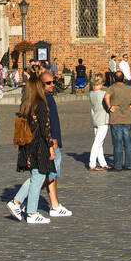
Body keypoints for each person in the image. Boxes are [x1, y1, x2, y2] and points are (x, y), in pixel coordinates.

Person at [7, 76, 56, 224]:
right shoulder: (40, 104)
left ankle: (16, 202)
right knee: (39, 176)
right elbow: (45, 128)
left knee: (36, 176)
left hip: (28, 144)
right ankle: (32, 213)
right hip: (39, 145)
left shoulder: (26, 104)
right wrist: (51, 147)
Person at [40, 69, 72, 215]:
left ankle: (55, 205)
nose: (52, 85)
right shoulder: (45, 99)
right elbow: (46, 122)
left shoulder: (47, 98)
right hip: (51, 142)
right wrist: (53, 140)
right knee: (48, 175)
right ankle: (20, 198)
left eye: (53, 82)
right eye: (48, 83)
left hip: (52, 140)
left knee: (51, 175)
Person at [104, 71, 131, 169]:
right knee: (128, 142)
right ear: (123, 78)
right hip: (127, 118)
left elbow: (106, 97)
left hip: (115, 118)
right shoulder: (129, 89)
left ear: (114, 79)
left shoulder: (112, 88)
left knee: (117, 143)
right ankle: (128, 164)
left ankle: (117, 165)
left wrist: (109, 107)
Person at [88, 72, 111, 169]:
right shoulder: (103, 93)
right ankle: (92, 163)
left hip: (95, 118)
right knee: (97, 142)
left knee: (100, 142)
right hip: (103, 119)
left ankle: (103, 163)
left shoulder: (91, 93)